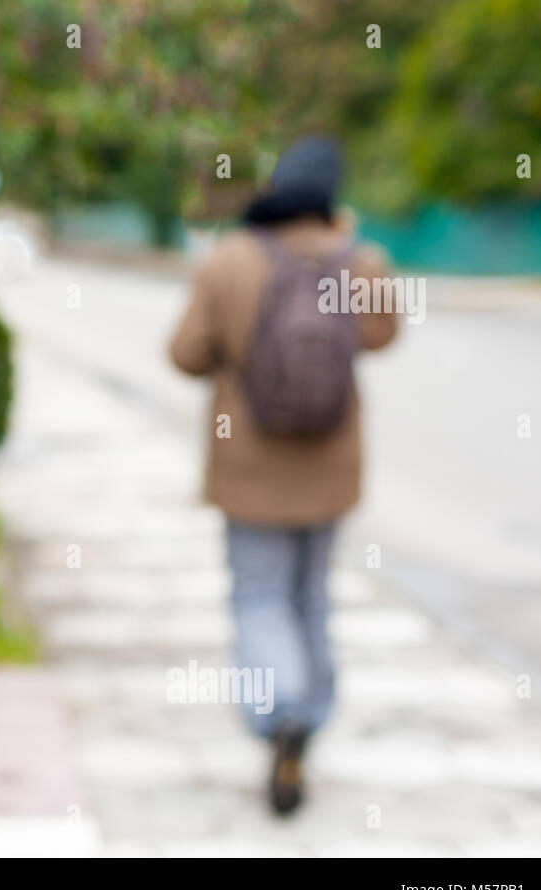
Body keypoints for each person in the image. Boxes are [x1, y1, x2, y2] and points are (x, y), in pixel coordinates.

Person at [168, 136, 399, 815]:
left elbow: (184, 354)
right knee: (312, 596)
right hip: (331, 464)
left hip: (248, 463)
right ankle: (310, 715)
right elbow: (384, 337)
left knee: (260, 595)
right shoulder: (361, 260)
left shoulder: (229, 260)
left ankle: (282, 714)